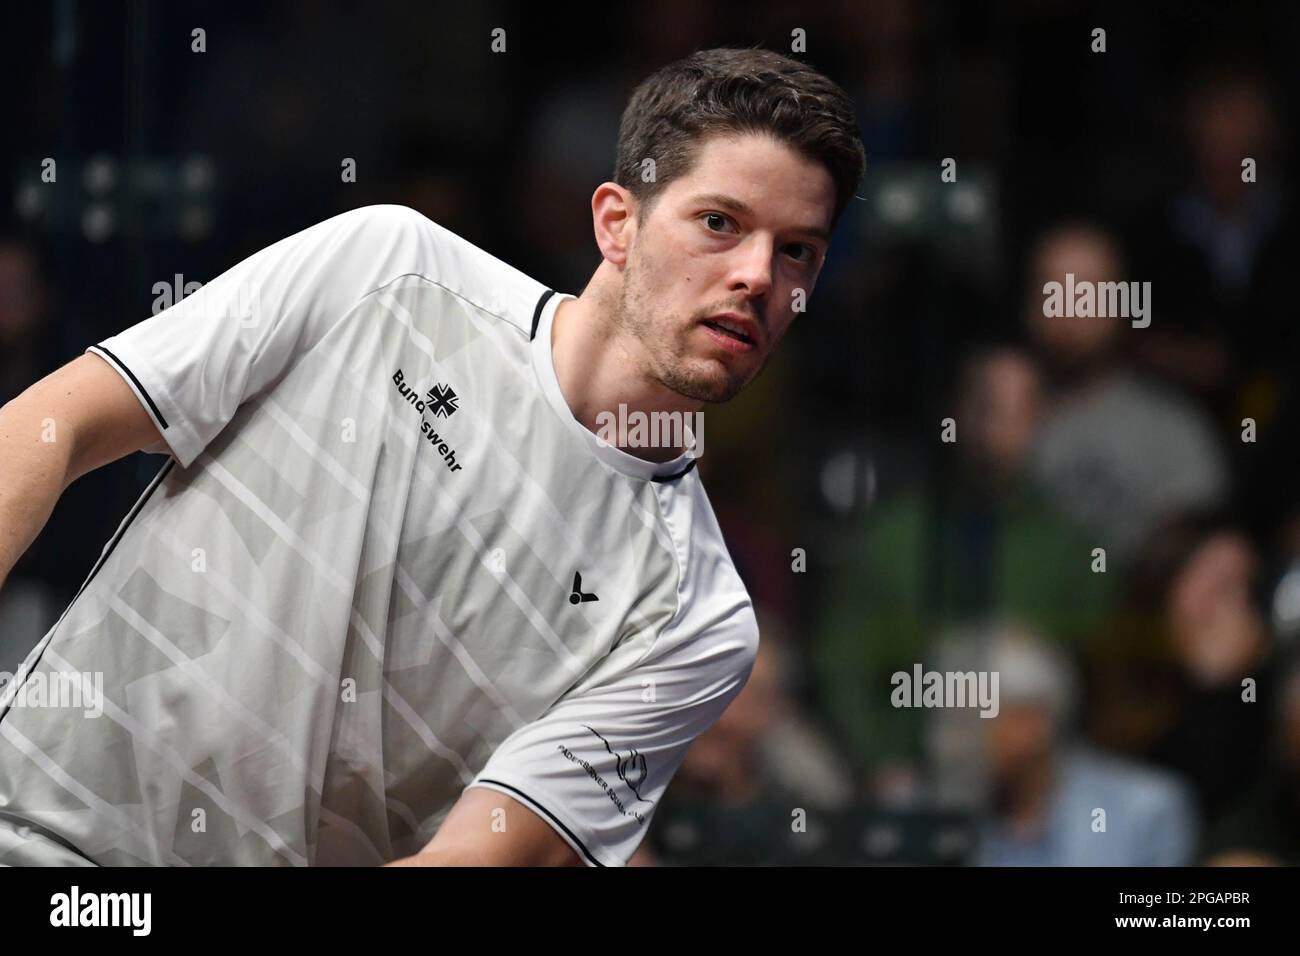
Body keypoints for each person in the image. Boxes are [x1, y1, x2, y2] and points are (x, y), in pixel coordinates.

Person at [0, 47, 866, 866]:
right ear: (617, 223)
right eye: (721, 223)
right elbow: (51, 425)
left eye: (798, 252)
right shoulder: (389, 268)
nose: (758, 274)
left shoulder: (697, 622)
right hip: (30, 820)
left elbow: (476, 855)